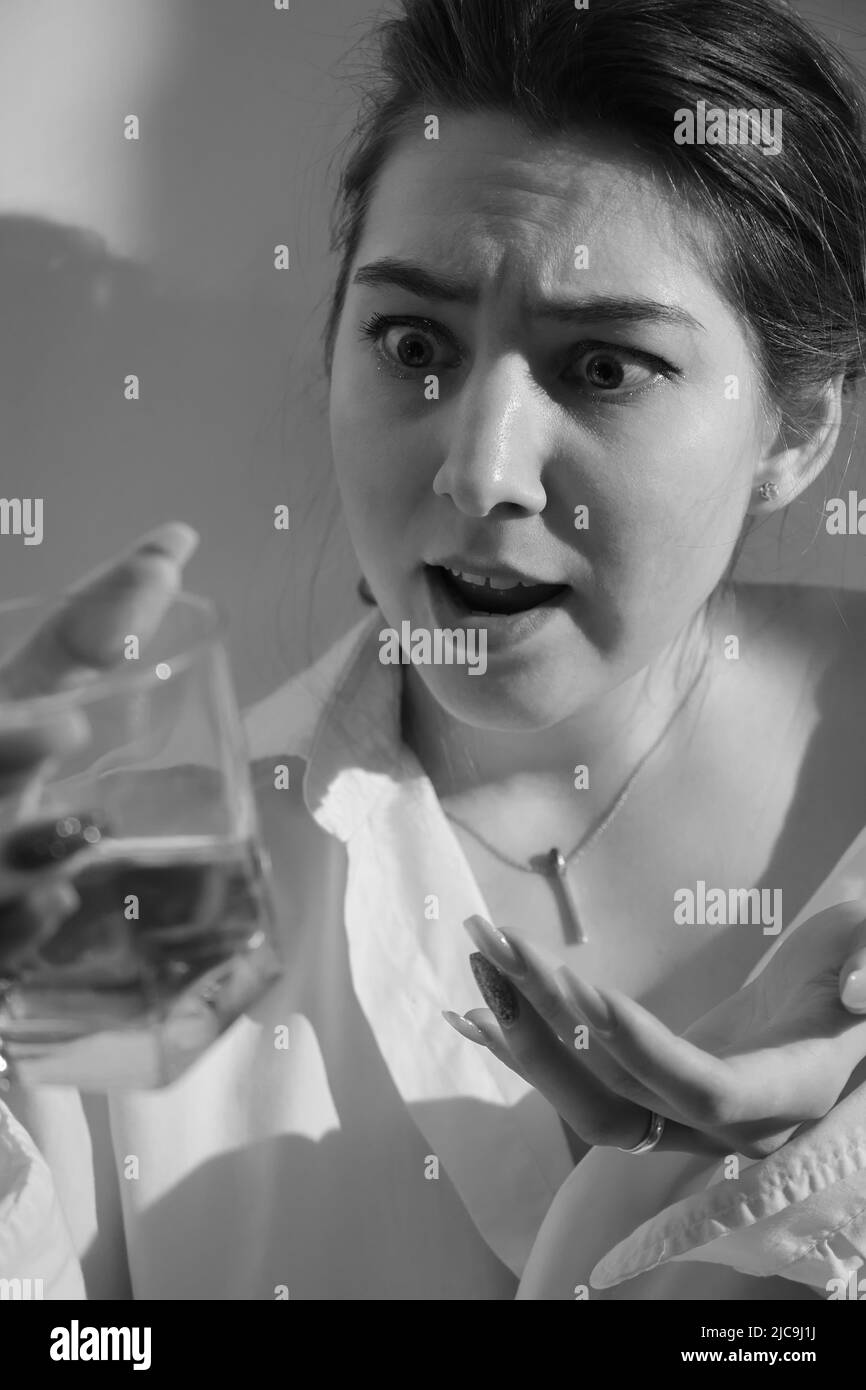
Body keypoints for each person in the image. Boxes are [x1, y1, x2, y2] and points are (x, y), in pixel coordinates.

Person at [4, 0, 866, 1300]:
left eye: (604, 367)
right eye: (414, 345)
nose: (476, 472)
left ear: (794, 432)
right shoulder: (136, 881)